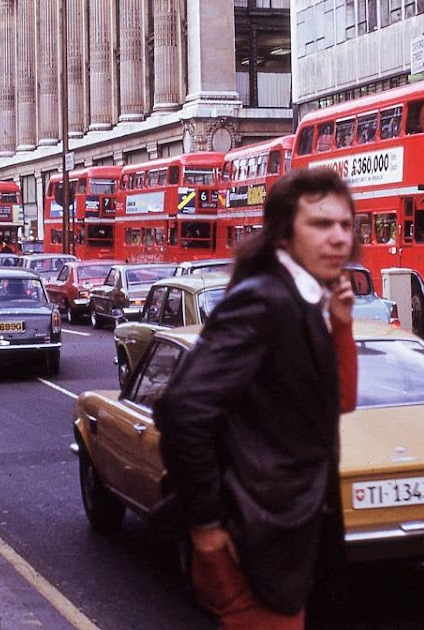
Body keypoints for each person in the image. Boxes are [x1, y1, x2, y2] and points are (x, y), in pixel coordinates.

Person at [154, 168, 359, 628]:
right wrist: (205, 525)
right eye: (321, 225)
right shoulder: (265, 301)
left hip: (286, 544)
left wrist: (341, 324)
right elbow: (183, 409)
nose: (339, 238)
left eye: (346, 225)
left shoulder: (304, 300)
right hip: (251, 545)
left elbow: (340, 402)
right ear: (285, 234)